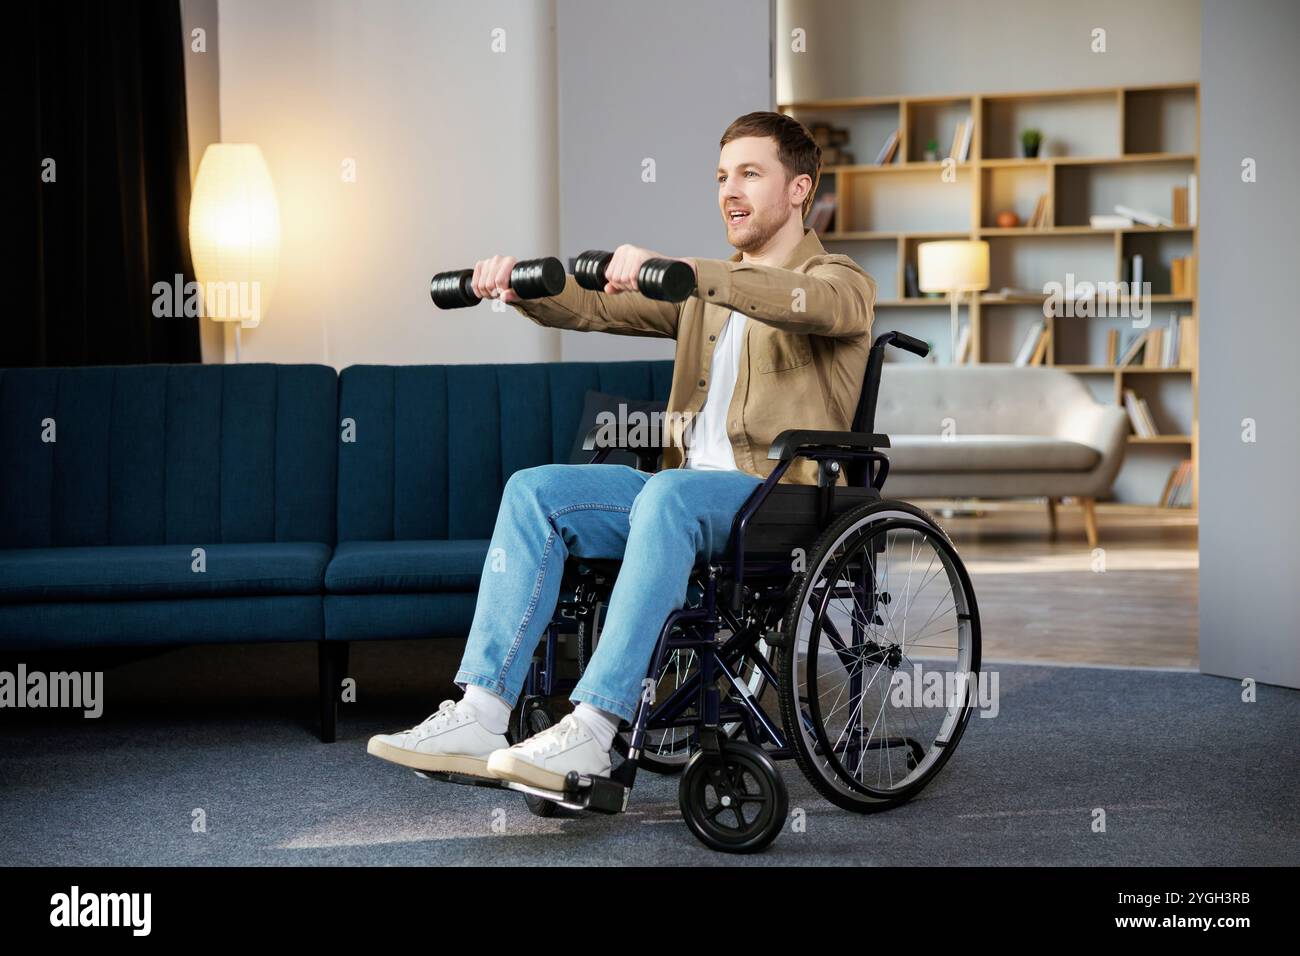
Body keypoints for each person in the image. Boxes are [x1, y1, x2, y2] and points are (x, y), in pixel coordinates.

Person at [368, 111, 876, 792]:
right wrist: (524, 289)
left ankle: (594, 728)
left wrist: (689, 272)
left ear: (798, 190)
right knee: (535, 491)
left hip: (782, 497)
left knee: (669, 495)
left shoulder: (840, 280)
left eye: (750, 174)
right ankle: (481, 711)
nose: (730, 190)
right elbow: (598, 307)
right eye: (722, 176)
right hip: (688, 494)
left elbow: (800, 300)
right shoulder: (709, 294)